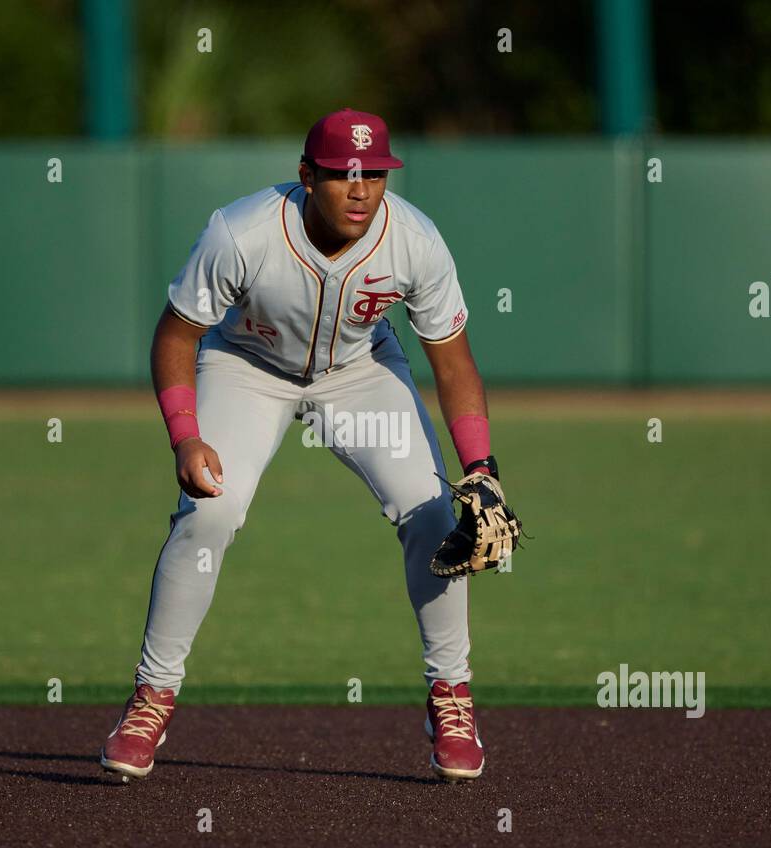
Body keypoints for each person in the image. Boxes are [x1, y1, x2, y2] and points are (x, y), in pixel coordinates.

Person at [101, 108, 503, 782]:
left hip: (360, 373)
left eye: (374, 174)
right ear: (306, 175)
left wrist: (482, 468)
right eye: (343, 174)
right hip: (246, 369)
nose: (360, 189)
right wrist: (185, 436)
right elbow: (175, 336)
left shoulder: (415, 240)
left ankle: (451, 696)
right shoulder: (242, 232)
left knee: (435, 514)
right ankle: (152, 696)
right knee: (211, 511)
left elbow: (453, 361)